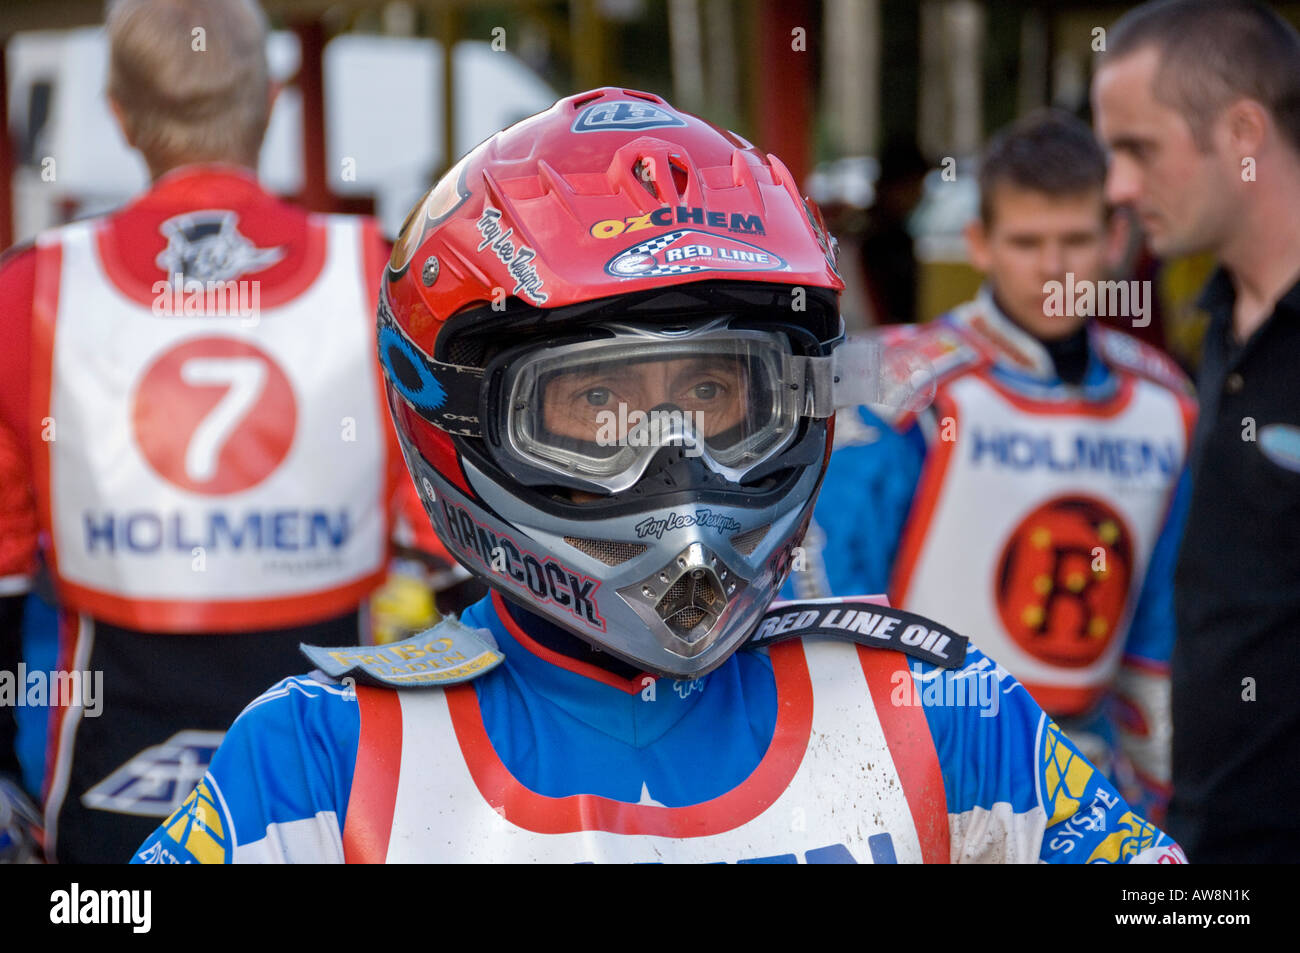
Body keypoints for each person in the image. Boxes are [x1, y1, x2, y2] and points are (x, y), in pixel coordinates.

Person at [131, 88, 1186, 864]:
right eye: (601, 406)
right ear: (462, 416)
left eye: (718, 396)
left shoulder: (942, 711)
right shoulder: (323, 755)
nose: (677, 460)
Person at [0, 0, 443, 863]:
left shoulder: (30, 291)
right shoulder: (383, 272)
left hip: (99, 785)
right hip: (335, 778)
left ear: (118, 113)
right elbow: (456, 564)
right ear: (273, 98)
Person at [786, 110, 1196, 824]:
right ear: (979, 243)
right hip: (923, 762)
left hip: (1088, 771)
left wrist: (1156, 796)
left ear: (1114, 240)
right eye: (1026, 242)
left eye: (1074, 240)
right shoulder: (894, 386)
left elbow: (1163, 621)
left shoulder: (1165, 399)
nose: (1052, 266)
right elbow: (827, 596)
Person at [1093, 0, 1300, 862]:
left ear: (1243, 130)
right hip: (1202, 837)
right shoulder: (1216, 321)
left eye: (1140, 149)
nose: (1118, 189)